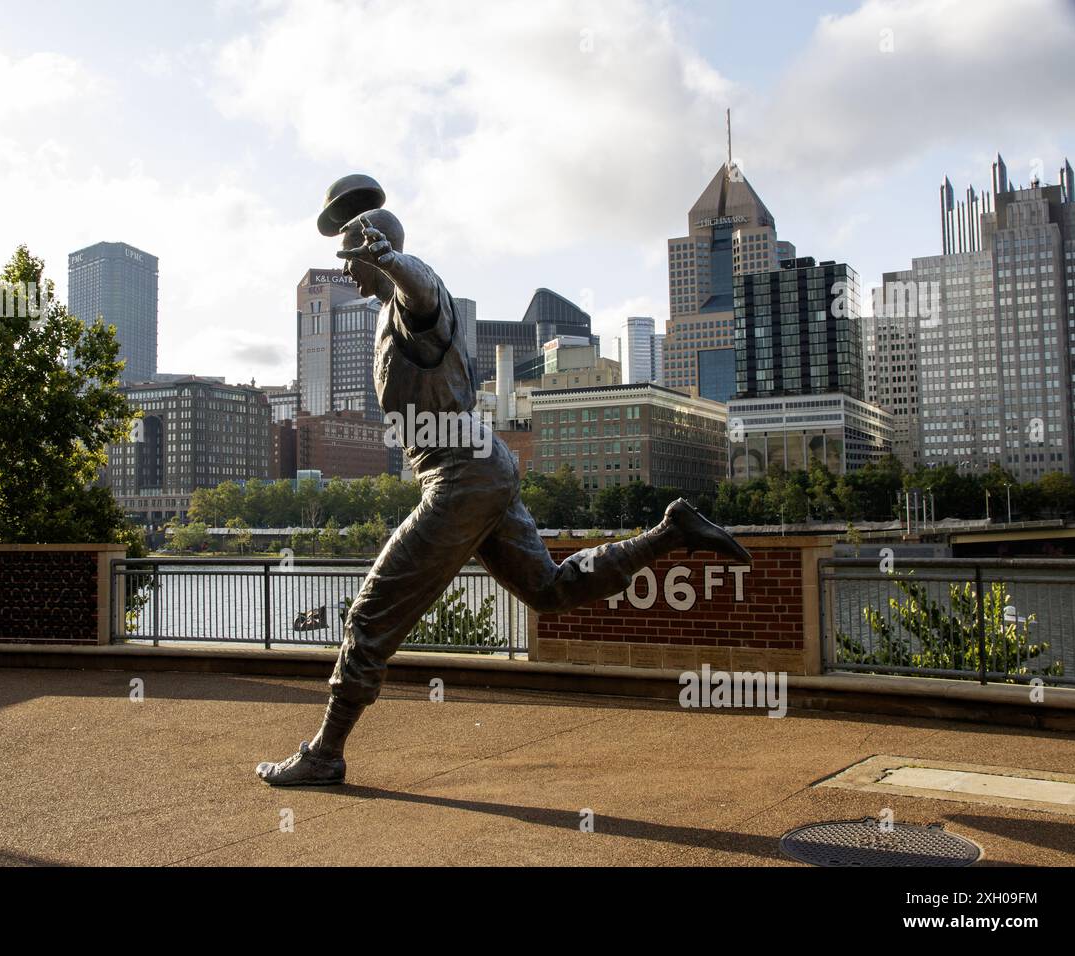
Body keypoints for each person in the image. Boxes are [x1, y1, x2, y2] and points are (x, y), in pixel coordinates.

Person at [256, 178, 751, 786]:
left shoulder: (415, 306)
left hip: (461, 478)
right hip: (482, 471)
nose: (348, 273)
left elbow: (421, 287)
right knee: (548, 590)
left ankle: (326, 753)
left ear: (378, 254)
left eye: (353, 261)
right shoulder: (390, 322)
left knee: (369, 615)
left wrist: (389, 260)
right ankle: (669, 534)